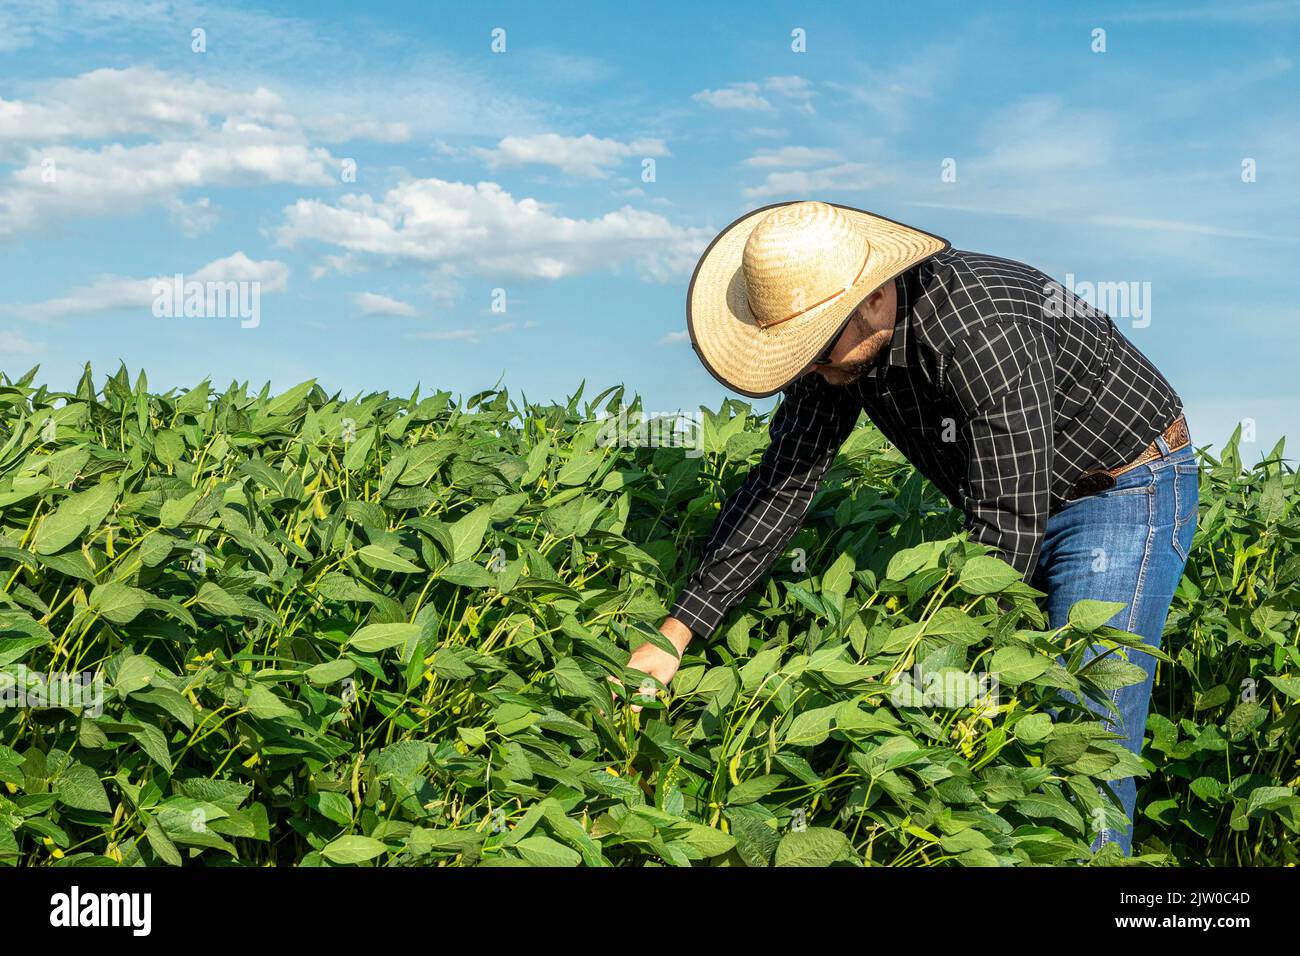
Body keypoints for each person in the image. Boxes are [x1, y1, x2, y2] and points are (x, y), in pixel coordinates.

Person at [619, 200, 1199, 857]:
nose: (810, 369)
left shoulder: (981, 326)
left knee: (1081, 740)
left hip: (1122, 488)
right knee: (1007, 748)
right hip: (1018, 497)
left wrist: (950, 670)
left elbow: (1006, 520)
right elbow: (779, 489)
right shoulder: (833, 356)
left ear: (872, 296)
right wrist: (674, 635)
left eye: (816, 347)